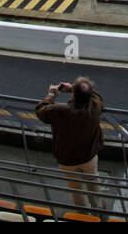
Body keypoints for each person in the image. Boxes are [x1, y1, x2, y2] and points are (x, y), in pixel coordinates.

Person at [35, 78, 106, 211]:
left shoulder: (60, 111)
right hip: (89, 155)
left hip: (67, 159)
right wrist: (74, 88)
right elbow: (97, 96)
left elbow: (40, 110)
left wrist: (51, 94)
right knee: (93, 183)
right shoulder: (95, 107)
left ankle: (82, 214)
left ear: (73, 96)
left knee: (75, 189)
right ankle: (99, 211)